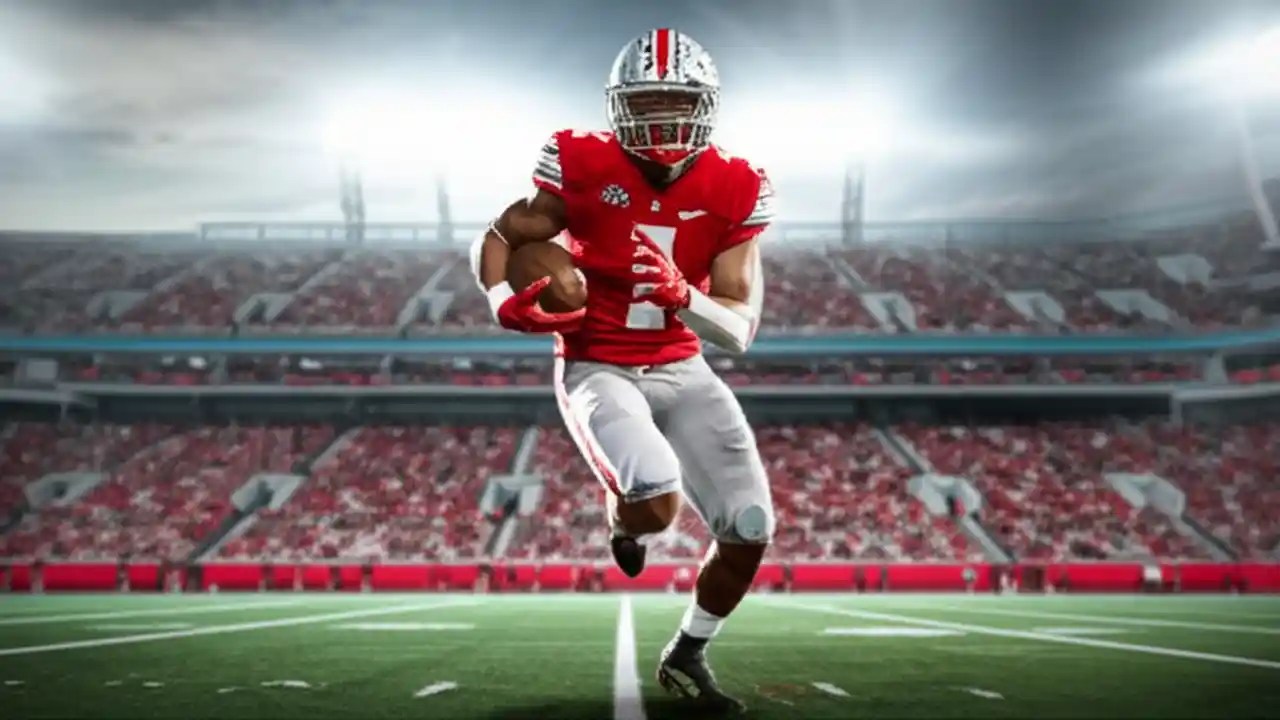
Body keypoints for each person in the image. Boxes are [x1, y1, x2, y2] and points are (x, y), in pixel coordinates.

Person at [470, 28, 774, 714]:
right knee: (658, 500)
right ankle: (625, 523)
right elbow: (501, 237)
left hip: (683, 363)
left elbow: (739, 329)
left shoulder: (736, 183)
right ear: (617, 107)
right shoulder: (580, 161)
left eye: (676, 102)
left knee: (751, 526)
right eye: (645, 103)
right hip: (598, 361)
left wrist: (682, 295)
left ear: (706, 106)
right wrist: (499, 301)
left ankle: (689, 650)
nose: (661, 117)